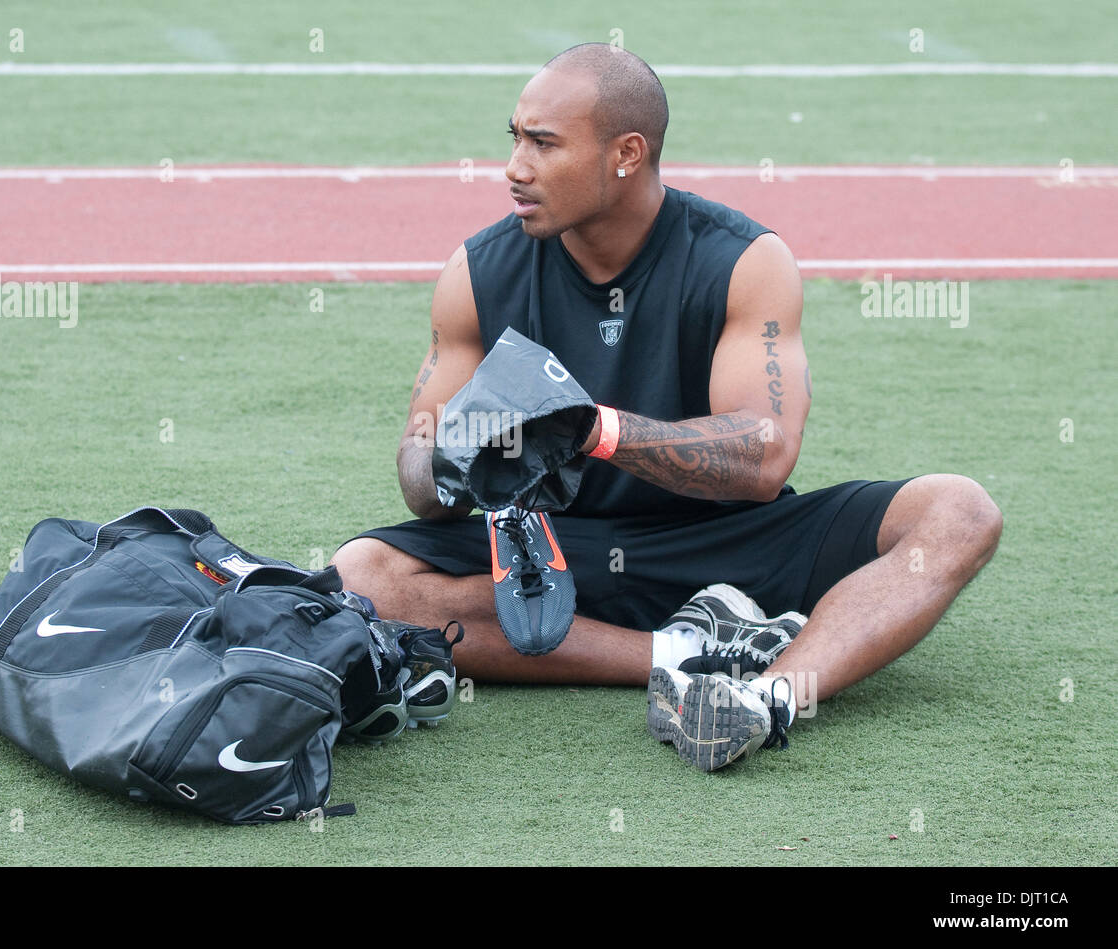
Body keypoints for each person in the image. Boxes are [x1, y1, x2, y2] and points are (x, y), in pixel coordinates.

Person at [331, 43, 1002, 771]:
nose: (515, 167)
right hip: (558, 549)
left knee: (958, 513)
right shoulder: (477, 272)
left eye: (544, 143)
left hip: (731, 542)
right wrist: (459, 453)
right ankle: (686, 653)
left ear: (626, 153)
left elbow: (764, 459)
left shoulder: (744, 260)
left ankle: (764, 699)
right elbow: (417, 477)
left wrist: (593, 430)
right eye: (515, 138)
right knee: (363, 576)